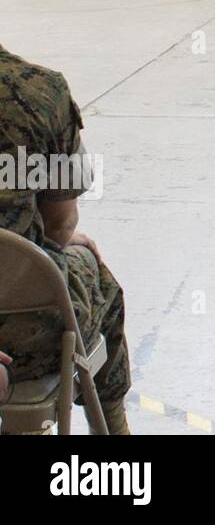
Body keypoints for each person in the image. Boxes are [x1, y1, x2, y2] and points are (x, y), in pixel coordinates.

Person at [0, 43, 132, 434]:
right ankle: (112, 431)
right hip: (23, 334)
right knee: (94, 274)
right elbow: (59, 226)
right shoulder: (39, 93)